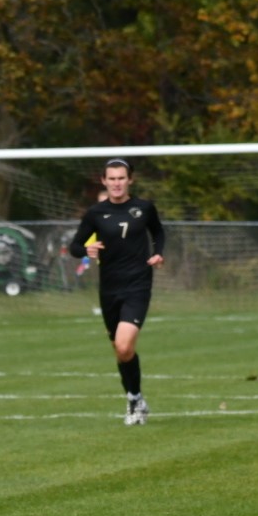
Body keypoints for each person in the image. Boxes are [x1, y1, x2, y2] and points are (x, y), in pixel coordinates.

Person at [68, 159, 164, 425]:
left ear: (129, 180)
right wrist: (85, 250)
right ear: (104, 181)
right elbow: (75, 246)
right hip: (109, 288)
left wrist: (158, 253)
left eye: (121, 178)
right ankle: (136, 398)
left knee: (124, 344)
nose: (117, 183)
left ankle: (134, 400)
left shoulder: (143, 208)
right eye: (112, 179)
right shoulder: (96, 213)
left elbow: (158, 231)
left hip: (138, 285)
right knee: (121, 351)